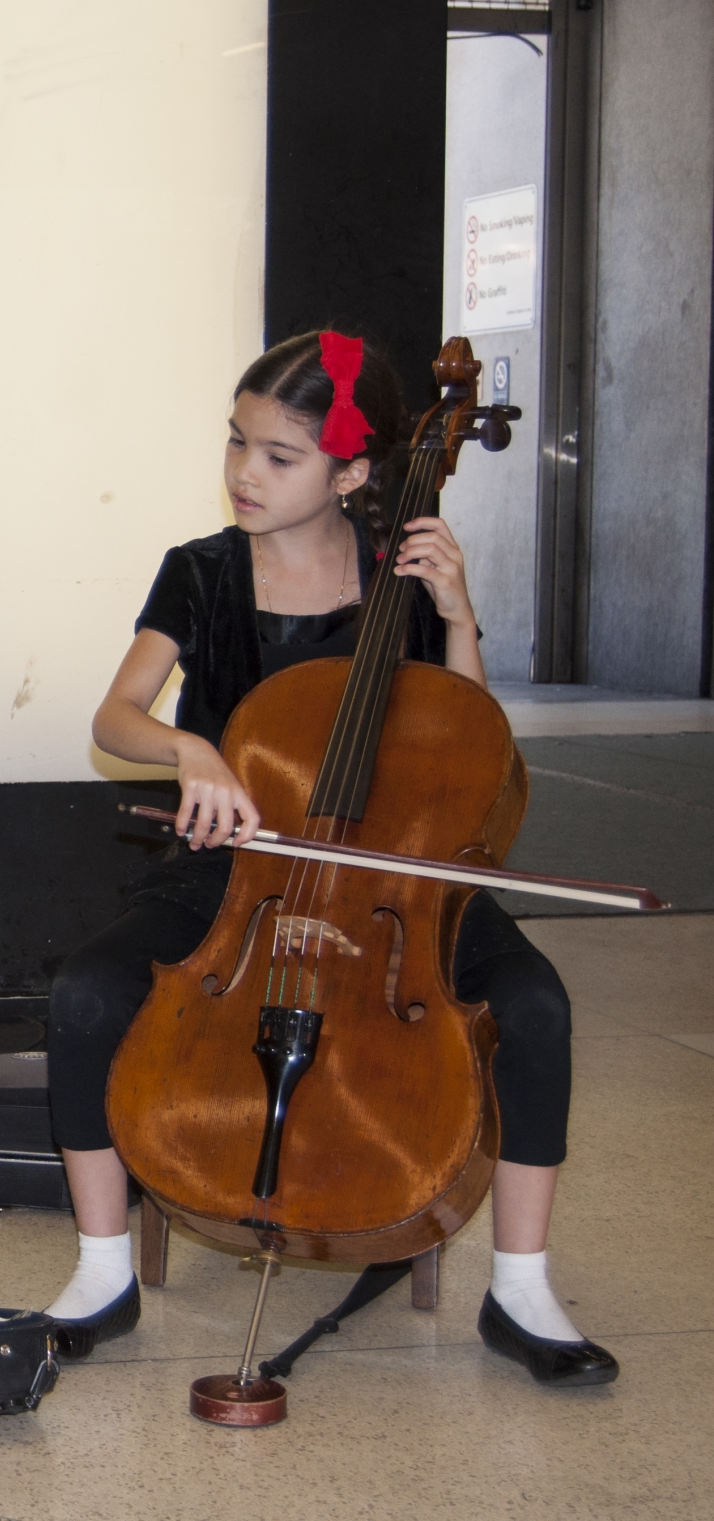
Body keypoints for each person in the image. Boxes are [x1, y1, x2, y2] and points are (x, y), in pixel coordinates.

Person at [41, 330, 618, 1389]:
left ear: (352, 472)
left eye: (277, 456)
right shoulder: (201, 574)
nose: (241, 474)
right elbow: (115, 714)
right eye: (234, 443)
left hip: (398, 874)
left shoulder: (396, 573)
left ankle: (521, 1288)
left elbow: (469, 744)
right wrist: (187, 748)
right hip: (237, 873)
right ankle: (98, 1268)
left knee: (533, 1006)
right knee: (84, 994)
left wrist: (452, 613)